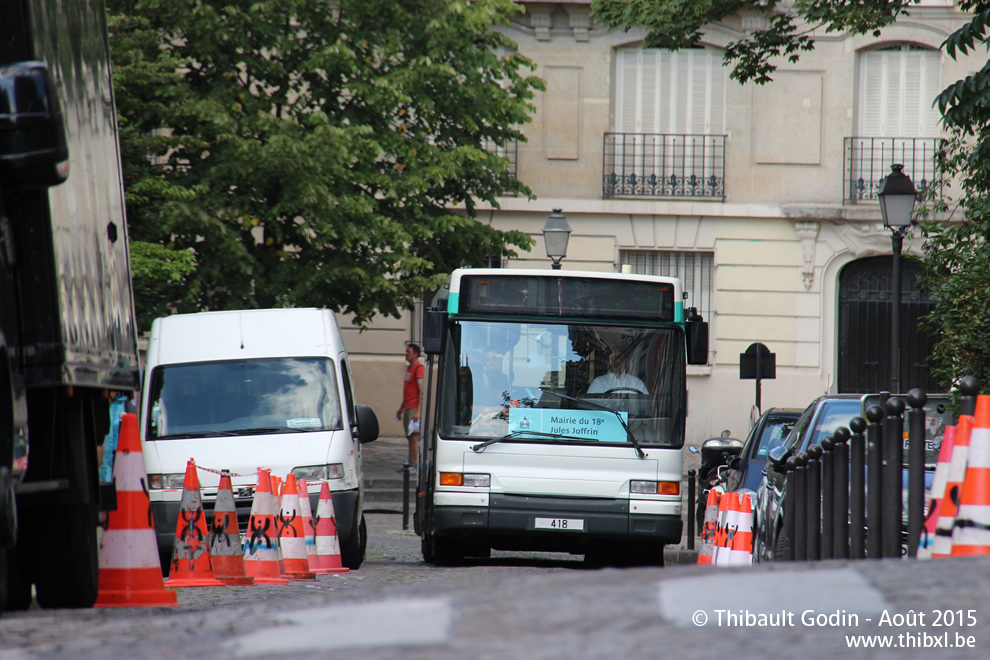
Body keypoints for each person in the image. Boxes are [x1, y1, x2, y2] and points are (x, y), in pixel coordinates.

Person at [396, 343, 424, 472]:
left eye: (409, 352)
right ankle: (411, 461)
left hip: (414, 407)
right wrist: (401, 409)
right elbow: (408, 391)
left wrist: (418, 410)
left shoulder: (419, 368)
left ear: (415, 354)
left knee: (414, 436)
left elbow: (420, 391)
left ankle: (416, 464)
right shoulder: (409, 369)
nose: (406, 354)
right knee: (409, 436)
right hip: (407, 406)